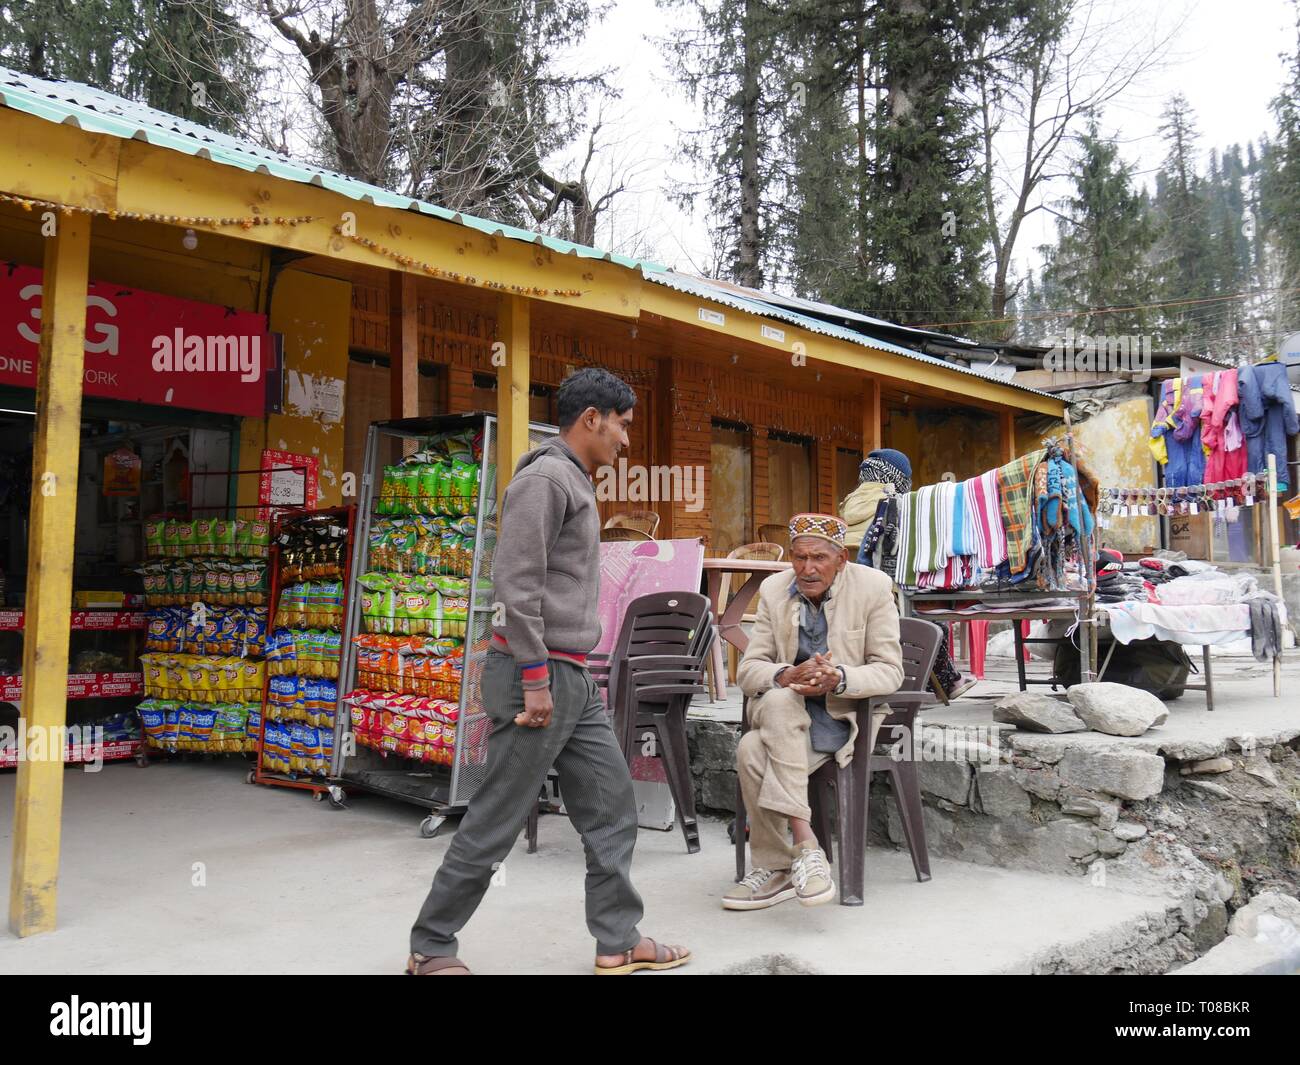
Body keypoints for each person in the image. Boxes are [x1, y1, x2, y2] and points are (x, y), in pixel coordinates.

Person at [406, 367, 690, 975]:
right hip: (538, 674)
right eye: (623, 425)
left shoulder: (574, 480)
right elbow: (514, 585)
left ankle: (617, 939)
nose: (626, 440)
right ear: (592, 419)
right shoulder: (546, 479)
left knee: (611, 804)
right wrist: (534, 676)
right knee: (498, 815)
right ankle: (431, 946)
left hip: (572, 678)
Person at [724, 513, 904, 910]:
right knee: (778, 698)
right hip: (785, 716)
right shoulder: (773, 590)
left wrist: (838, 677)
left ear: (841, 559)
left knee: (751, 751)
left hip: (843, 717)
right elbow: (750, 670)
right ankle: (807, 848)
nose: (808, 568)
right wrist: (787, 674)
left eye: (819, 558)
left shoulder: (873, 588)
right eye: (800, 557)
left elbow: (891, 670)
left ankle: (777, 868)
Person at [847, 448, 974, 700]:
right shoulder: (896, 507)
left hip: (850, 598)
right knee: (932, 619)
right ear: (900, 478)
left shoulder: (849, 504)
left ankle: (945, 681)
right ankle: (944, 682)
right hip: (886, 598)